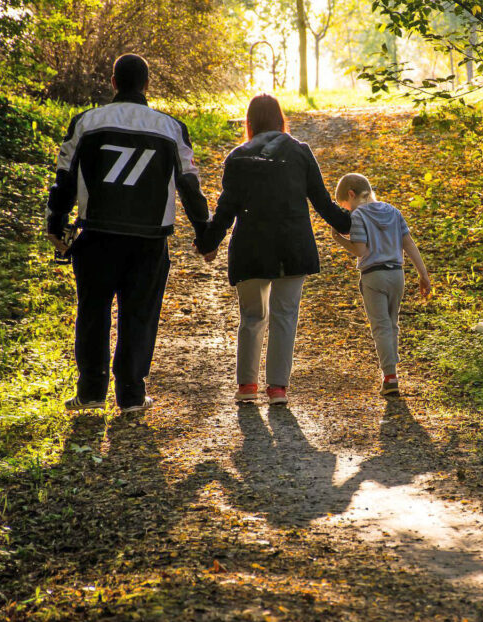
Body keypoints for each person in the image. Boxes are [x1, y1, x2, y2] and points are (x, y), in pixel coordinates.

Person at [45, 54, 210, 413]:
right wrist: (205, 234)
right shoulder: (171, 128)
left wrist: (55, 222)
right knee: (139, 313)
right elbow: (189, 184)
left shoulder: (87, 122)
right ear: (146, 84)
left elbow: (64, 177)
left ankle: (90, 393)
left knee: (93, 310)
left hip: (96, 234)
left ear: (113, 81)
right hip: (149, 239)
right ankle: (132, 395)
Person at [196, 93, 350, 406]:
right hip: (293, 245)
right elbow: (321, 201)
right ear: (280, 119)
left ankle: (247, 386)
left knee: (252, 316)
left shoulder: (238, 157)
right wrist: (350, 223)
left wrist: (209, 242)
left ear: (250, 122)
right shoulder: (299, 151)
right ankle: (278, 388)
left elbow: (226, 209)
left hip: (251, 247)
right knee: (285, 315)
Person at [329, 173, 431, 396]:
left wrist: (339, 239)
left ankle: (390, 376)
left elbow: (360, 250)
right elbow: (409, 244)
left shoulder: (359, 215)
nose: (346, 211)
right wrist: (423, 274)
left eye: (344, 206)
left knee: (381, 327)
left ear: (351, 194)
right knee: (392, 325)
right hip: (397, 275)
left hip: (373, 276)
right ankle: (392, 372)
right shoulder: (394, 212)